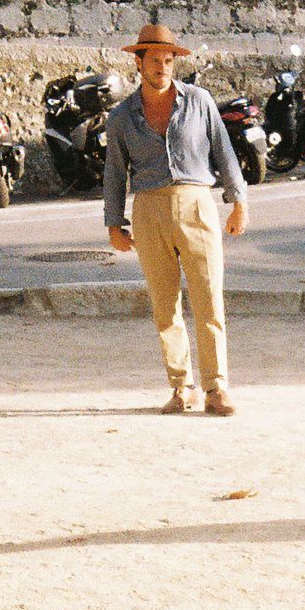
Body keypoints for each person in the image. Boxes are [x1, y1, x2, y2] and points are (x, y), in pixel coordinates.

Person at [102, 23, 248, 415]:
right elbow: (115, 172)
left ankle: (217, 388)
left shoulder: (199, 101)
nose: (162, 67)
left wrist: (238, 202)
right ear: (139, 62)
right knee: (165, 305)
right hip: (149, 210)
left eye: (168, 61)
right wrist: (114, 224)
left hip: (197, 203)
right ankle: (182, 388)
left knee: (208, 299)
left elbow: (224, 152)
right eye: (155, 61)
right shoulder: (121, 117)